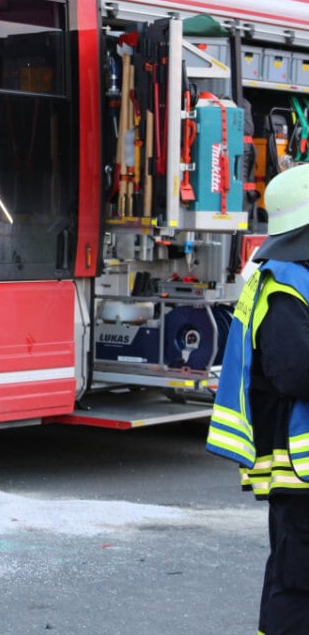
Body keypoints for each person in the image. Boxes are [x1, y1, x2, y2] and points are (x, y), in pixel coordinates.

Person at [208, 162, 309, 634]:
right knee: (298, 586)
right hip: (300, 473)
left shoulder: (287, 280)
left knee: (292, 579)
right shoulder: (287, 289)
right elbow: (296, 374)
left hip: (296, 472)